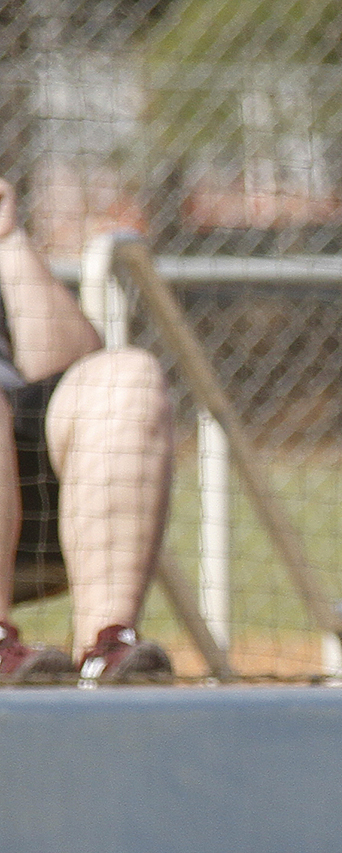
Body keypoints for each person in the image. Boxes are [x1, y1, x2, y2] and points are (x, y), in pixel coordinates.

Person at [0, 176, 175, 683]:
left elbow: (68, 364)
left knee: (127, 378)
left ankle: (107, 652)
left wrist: (8, 241)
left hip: (33, 497)